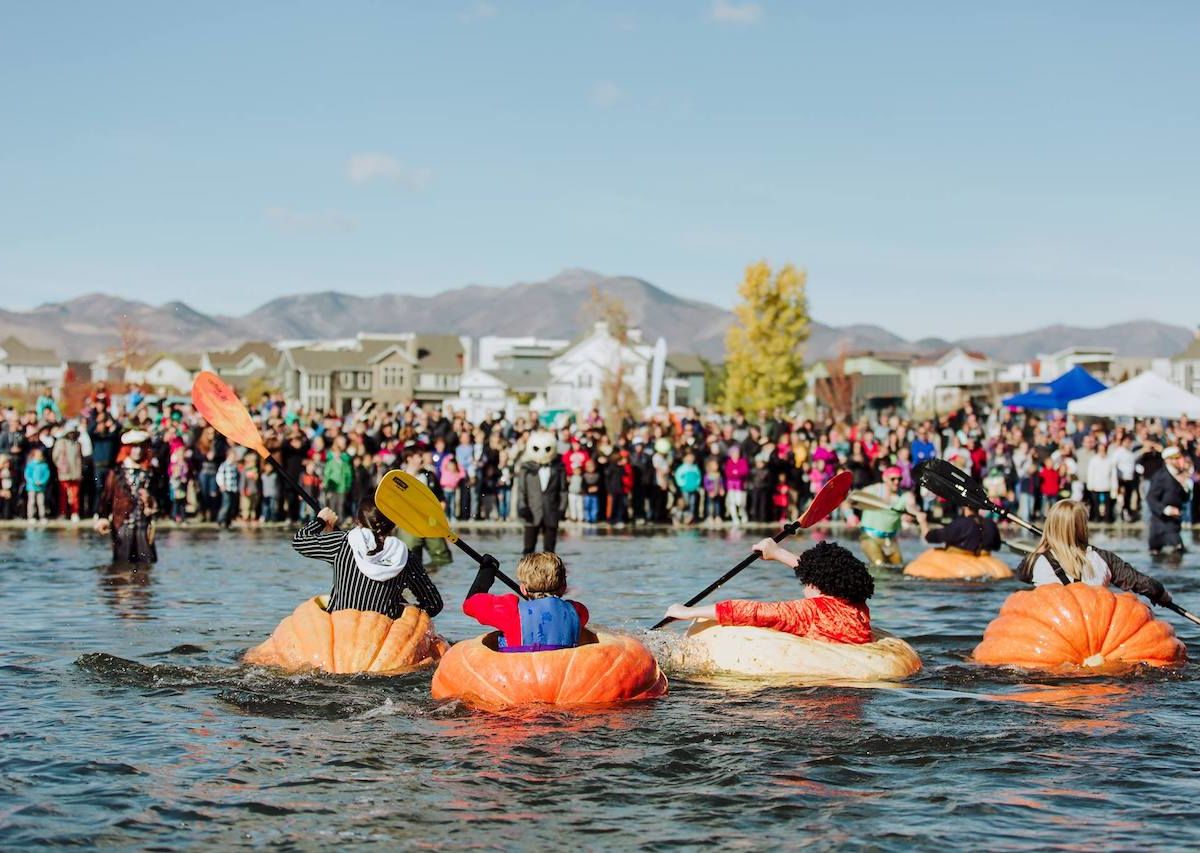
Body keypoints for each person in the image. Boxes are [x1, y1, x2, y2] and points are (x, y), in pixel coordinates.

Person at [663, 540, 874, 644]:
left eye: (806, 580)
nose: (803, 583)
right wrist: (777, 553)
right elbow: (826, 573)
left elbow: (751, 611)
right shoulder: (858, 607)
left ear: (817, 584)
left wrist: (687, 612)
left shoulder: (809, 612)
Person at [291, 496, 443, 619]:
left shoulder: (342, 542)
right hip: (384, 637)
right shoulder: (406, 557)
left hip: (339, 629)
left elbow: (299, 541)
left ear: (358, 521)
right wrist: (403, 612)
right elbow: (434, 604)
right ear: (394, 525)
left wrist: (321, 520)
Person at [1017, 500, 1172, 606]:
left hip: (1055, 632)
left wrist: (1042, 547)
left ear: (1050, 525)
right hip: (1098, 632)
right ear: (1083, 527)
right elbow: (1143, 583)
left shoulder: (1034, 561)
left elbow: (1021, 575)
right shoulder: (1103, 558)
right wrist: (1162, 596)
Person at [462, 552, 589, 652]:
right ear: (564, 586)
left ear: (523, 589)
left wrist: (487, 571)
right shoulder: (577, 611)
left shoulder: (510, 610)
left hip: (517, 677)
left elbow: (470, 604)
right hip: (561, 675)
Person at [95, 431, 158, 564]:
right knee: (122, 564)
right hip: (122, 525)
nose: (138, 451)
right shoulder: (117, 473)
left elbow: (159, 498)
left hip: (144, 526)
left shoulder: (151, 472)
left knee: (146, 565)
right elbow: (106, 497)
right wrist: (103, 517)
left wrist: (151, 502)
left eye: (141, 447)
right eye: (134, 447)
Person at [857, 466, 927, 567]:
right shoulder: (873, 490)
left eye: (899, 479)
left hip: (890, 540)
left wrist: (916, 514)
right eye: (893, 479)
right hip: (869, 537)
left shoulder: (905, 495)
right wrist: (849, 515)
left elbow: (911, 506)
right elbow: (850, 501)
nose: (896, 482)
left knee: (899, 567)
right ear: (884, 478)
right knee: (879, 564)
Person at [1145, 447, 1190, 555]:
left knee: (1178, 553)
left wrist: (1185, 486)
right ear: (1168, 460)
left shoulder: (1179, 475)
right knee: (1177, 550)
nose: (1180, 460)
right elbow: (1150, 498)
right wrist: (1166, 509)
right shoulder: (1160, 476)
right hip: (1161, 525)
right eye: (1176, 458)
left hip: (1174, 524)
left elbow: (1184, 498)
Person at [923, 505, 1002, 555]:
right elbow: (996, 547)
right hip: (985, 561)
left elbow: (929, 537)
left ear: (965, 507)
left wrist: (922, 522)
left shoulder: (960, 523)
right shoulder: (991, 523)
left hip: (961, 563)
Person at [23, 446, 51, 522]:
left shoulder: (44, 465)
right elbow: (27, 475)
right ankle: (31, 516)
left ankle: (42, 516)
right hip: (31, 487)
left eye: (41, 455)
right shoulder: (30, 465)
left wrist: (42, 482)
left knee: (41, 502)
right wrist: (33, 482)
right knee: (31, 502)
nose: (40, 457)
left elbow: (47, 475)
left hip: (41, 487)